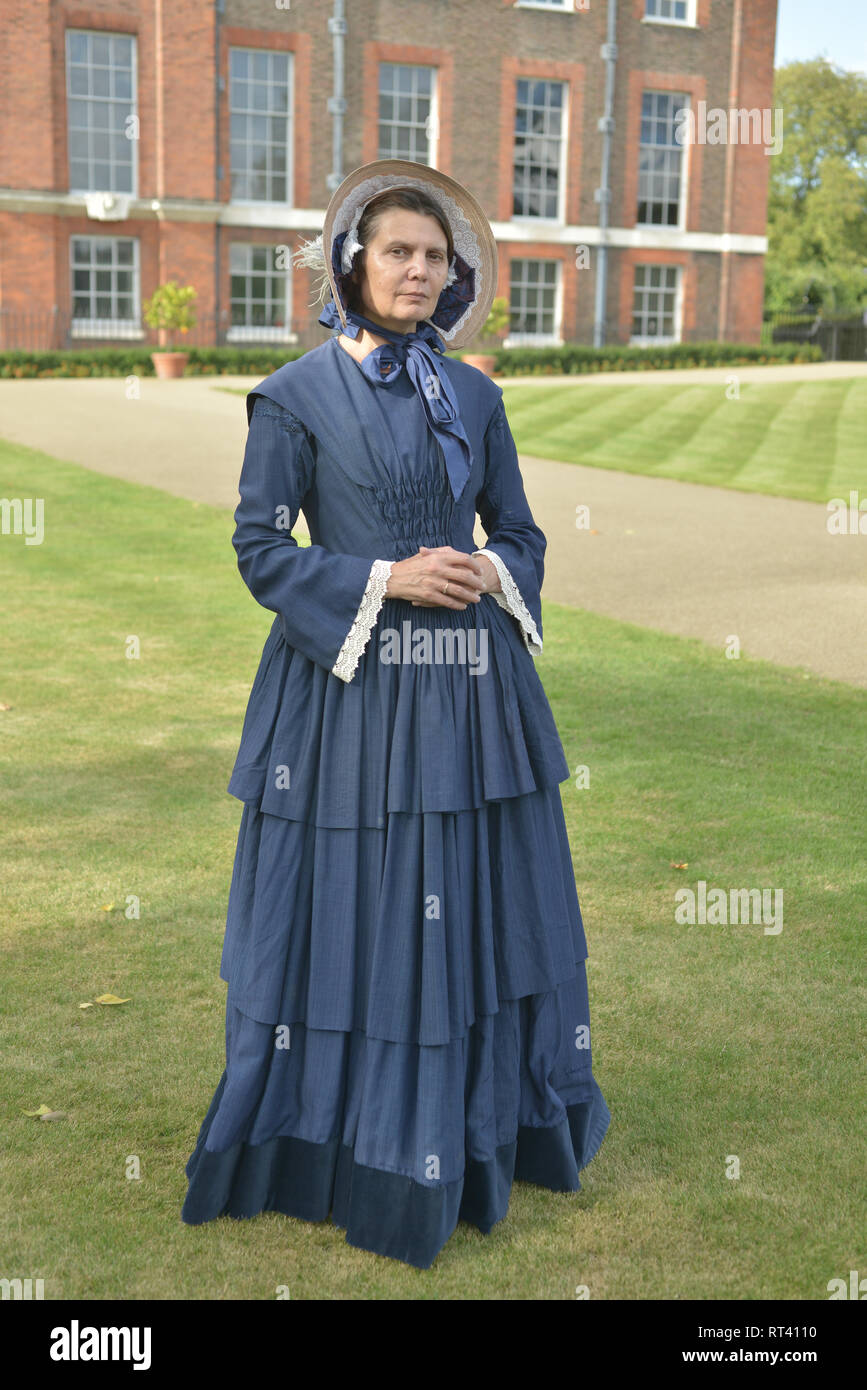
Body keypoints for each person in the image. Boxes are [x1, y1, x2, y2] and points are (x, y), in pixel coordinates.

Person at [180, 158, 611, 1270]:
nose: (419, 271)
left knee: (469, 904)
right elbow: (261, 547)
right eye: (398, 254)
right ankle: (335, 1132)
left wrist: (485, 572)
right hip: (351, 695)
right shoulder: (293, 395)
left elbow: (520, 530)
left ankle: (479, 1127)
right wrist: (384, 581)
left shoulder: (474, 392)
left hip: (472, 695)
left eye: (434, 256)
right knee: (358, 906)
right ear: (353, 266)